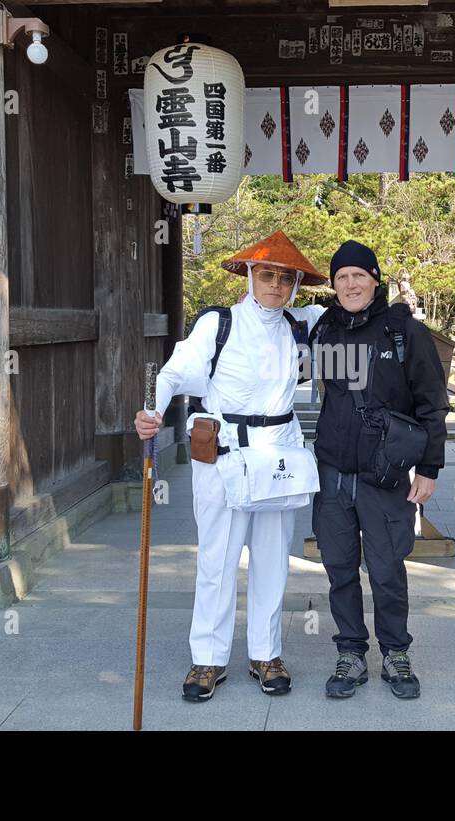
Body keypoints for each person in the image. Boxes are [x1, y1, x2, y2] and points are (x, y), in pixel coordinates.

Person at [134, 230, 327, 702]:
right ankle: (208, 658)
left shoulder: (301, 325)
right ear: (248, 276)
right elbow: (175, 372)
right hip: (223, 453)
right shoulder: (217, 324)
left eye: (286, 278)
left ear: (297, 285)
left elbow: (353, 304)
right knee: (218, 559)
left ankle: (266, 653)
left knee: (271, 558)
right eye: (267, 275)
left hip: (277, 450)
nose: (276, 287)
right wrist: (152, 412)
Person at [310, 240, 449, 700]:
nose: (349, 284)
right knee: (339, 567)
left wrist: (428, 467)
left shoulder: (402, 332)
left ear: (375, 279)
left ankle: (395, 652)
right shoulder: (326, 328)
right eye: (341, 278)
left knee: (387, 568)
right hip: (332, 472)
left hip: (384, 474)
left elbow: (433, 403)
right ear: (333, 285)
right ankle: (350, 650)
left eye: (358, 276)